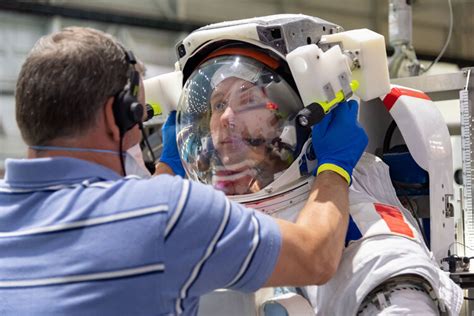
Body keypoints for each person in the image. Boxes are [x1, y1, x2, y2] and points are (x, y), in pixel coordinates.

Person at [0, 26, 368, 315]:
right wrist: (335, 166)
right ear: (117, 118)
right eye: (139, 116)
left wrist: (166, 168)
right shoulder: (167, 214)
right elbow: (314, 257)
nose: (226, 119)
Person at [161, 14, 463, 315]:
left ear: (299, 115)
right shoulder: (201, 217)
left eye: (248, 100)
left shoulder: (364, 234)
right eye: (218, 105)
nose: (225, 118)